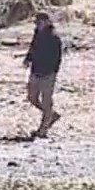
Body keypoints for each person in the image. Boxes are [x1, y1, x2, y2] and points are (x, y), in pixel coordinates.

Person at [22, 10, 63, 138]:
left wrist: (52, 72)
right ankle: (51, 115)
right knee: (32, 97)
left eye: (39, 22)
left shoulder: (54, 37)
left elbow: (57, 58)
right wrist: (28, 58)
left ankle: (43, 129)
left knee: (46, 101)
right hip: (35, 70)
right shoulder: (37, 33)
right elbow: (33, 47)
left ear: (46, 22)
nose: (37, 25)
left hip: (48, 73)